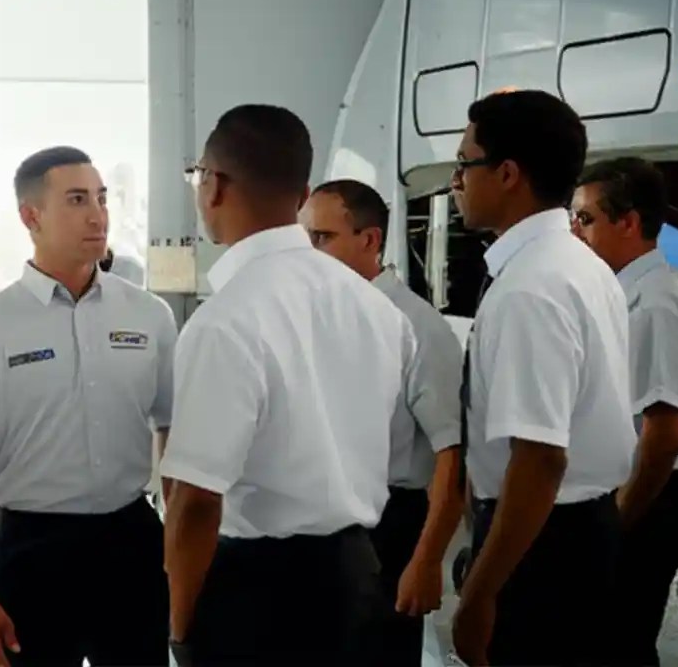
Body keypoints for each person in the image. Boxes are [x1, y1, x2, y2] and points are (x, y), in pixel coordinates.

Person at [160, 105, 413, 666]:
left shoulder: (225, 320)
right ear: (301, 195)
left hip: (260, 597)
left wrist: (181, 631)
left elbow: (196, 502)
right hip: (358, 579)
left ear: (213, 185)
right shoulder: (377, 309)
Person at [0, 146, 176, 667]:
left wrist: (179, 552)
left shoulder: (149, 315)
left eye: (101, 199)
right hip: (32, 551)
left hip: (131, 542)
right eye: (77, 200)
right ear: (30, 216)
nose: (97, 215)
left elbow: (173, 436)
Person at [450, 90, 635, 666]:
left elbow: (540, 458)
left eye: (464, 164)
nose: (455, 182)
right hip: (577, 529)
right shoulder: (580, 264)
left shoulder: (531, 286)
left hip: (542, 542)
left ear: (508, 174)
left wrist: (480, 593)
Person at [299, 178, 464, 665]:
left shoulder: (418, 327)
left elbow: (452, 456)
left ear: (370, 240)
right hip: (318, 520)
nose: (307, 252)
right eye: (303, 237)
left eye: (322, 238)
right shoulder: (314, 315)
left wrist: (427, 560)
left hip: (386, 529)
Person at [570, 156, 678, 666]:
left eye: (585, 219)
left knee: (618, 641)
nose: (574, 232)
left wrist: (616, 522)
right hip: (634, 488)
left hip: (650, 495)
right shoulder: (624, 294)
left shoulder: (652, 306)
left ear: (628, 222)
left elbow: (664, 435)